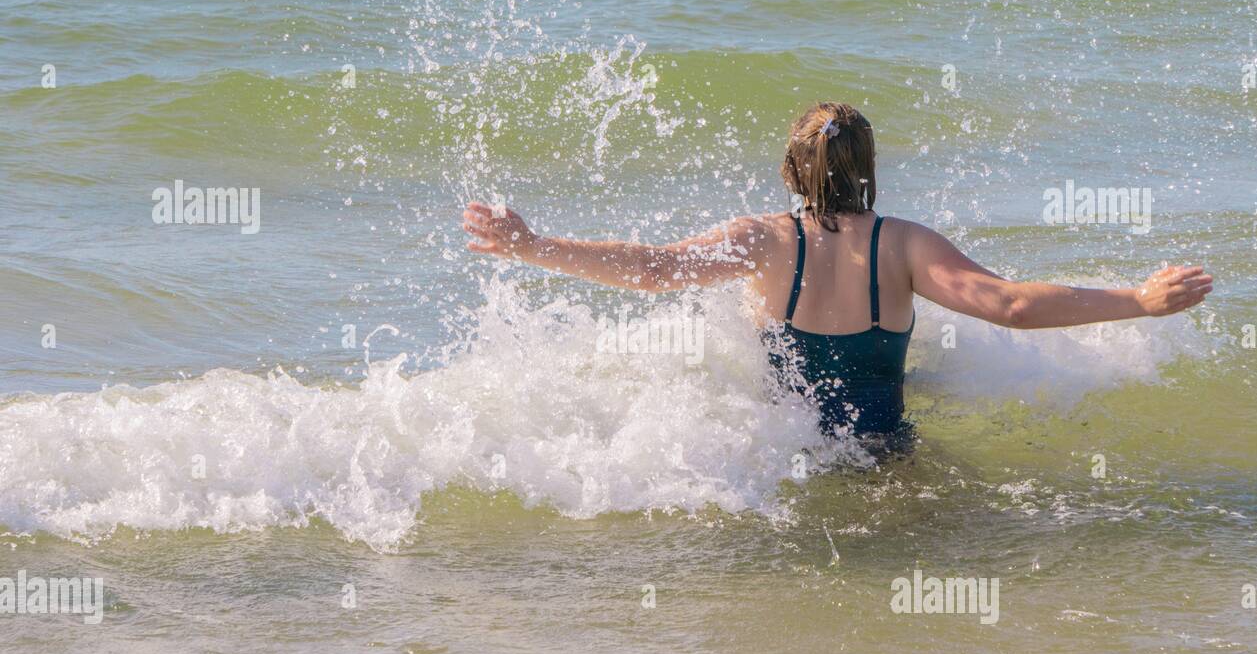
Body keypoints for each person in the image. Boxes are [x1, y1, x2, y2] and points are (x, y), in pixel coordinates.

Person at [462, 101, 1212, 436]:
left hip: (784, 460)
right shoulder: (906, 245)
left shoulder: (760, 241)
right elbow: (1010, 305)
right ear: (870, 169)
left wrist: (534, 246)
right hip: (886, 454)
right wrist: (1138, 300)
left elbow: (655, 269)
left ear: (791, 169)